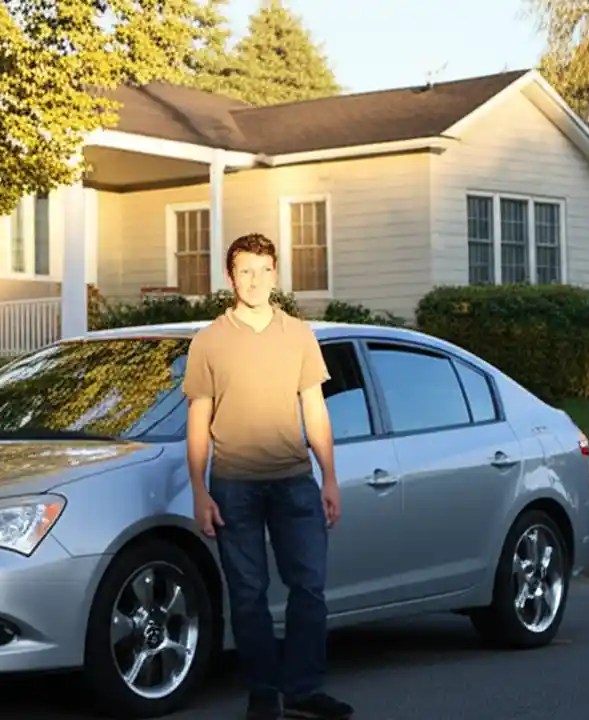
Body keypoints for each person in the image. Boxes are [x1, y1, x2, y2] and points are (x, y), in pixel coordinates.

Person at [181, 233, 353, 720]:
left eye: (263, 270)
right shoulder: (209, 341)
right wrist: (199, 490)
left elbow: (314, 410)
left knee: (309, 588)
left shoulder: (298, 335)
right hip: (233, 485)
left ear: (276, 274)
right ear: (229, 277)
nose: (254, 280)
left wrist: (330, 477)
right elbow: (199, 419)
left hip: (294, 480)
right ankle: (263, 693)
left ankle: (303, 689)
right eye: (244, 271)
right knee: (248, 593)